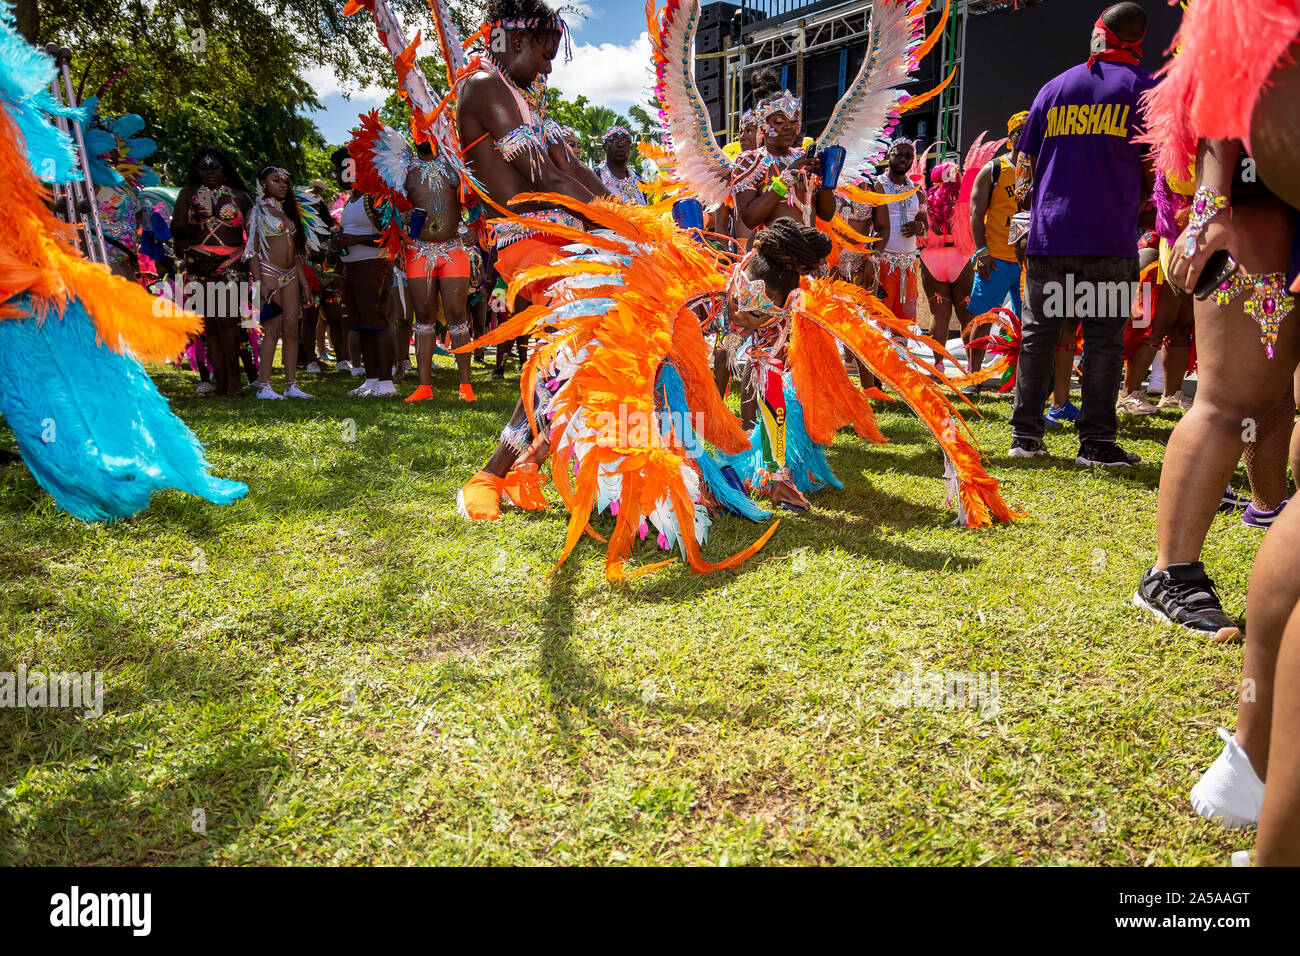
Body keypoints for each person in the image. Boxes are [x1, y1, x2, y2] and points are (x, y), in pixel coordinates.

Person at [455, 0, 611, 520]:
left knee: (572, 347)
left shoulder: (518, 95)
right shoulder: (484, 87)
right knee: (561, 348)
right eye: (545, 55)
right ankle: (496, 471)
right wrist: (621, 223)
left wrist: (627, 214)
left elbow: (571, 170)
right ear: (516, 43)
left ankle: (525, 464)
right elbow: (546, 181)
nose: (548, 68)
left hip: (562, 240)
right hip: (528, 243)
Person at [1007, 2, 1154, 467]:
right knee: (1103, 342)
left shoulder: (1054, 87)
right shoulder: (1147, 90)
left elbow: (1025, 162)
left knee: (1039, 338)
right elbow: (1155, 172)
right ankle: (1095, 444)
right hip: (1110, 241)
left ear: (1099, 35)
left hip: (1052, 238)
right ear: (1138, 39)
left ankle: (1026, 438)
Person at [170, 146, 253, 397]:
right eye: (203, 167)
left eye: (215, 166)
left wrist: (249, 262)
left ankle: (235, 381)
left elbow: (254, 233)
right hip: (198, 265)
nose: (209, 172)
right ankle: (221, 381)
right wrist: (193, 220)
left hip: (231, 265)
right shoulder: (188, 194)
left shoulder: (241, 195)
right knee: (210, 327)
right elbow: (176, 230)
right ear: (196, 171)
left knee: (228, 323)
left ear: (225, 169)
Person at [403, 137, 475, 403]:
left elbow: (478, 197)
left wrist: (476, 229)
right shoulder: (403, 170)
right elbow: (389, 207)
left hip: (453, 248)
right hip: (417, 250)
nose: (423, 135)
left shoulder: (457, 163)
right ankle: (424, 387)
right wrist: (403, 217)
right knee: (423, 315)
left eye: (428, 128)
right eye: (417, 129)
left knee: (457, 313)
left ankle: (465, 386)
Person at [967, 111, 1028, 383]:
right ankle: (974, 377)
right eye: (1020, 131)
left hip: (1029, 261)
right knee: (983, 319)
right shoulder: (994, 169)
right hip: (996, 259)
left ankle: (1014, 380)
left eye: (1032, 131)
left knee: (1027, 324)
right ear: (1010, 139)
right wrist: (982, 252)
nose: (1026, 136)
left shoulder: (1043, 169)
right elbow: (975, 212)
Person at [243, 166, 314, 400]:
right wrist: (259, 282)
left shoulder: (287, 212)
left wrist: (305, 285)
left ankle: (291, 385)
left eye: (285, 181)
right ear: (263, 183)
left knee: (292, 330)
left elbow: (295, 254)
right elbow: (252, 250)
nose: (282, 185)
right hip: (269, 273)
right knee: (272, 330)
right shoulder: (258, 212)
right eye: (276, 181)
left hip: (291, 274)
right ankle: (264, 386)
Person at [333, 147, 396, 398]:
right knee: (362, 325)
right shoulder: (353, 199)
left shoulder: (375, 197)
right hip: (354, 267)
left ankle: (387, 382)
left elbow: (389, 237)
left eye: (341, 169)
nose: (338, 174)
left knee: (377, 322)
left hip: (375, 266)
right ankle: (371, 380)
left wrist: (352, 239)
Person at [872, 139, 928, 328]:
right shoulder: (878, 185)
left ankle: (901, 358)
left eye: (908, 156)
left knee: (905, 325)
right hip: (883, 263)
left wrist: (918, 227)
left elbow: (926, 225)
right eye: (899, 155)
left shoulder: (916, 190)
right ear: (889, 156)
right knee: (880, 321)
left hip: (909, 265)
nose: (903, 159)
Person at [595, 125, 646, 206]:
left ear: (631, 147)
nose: (620, 145)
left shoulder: (639, 179)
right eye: (614, 140)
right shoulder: (596, 176)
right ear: (605, 147)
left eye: (625, 140)